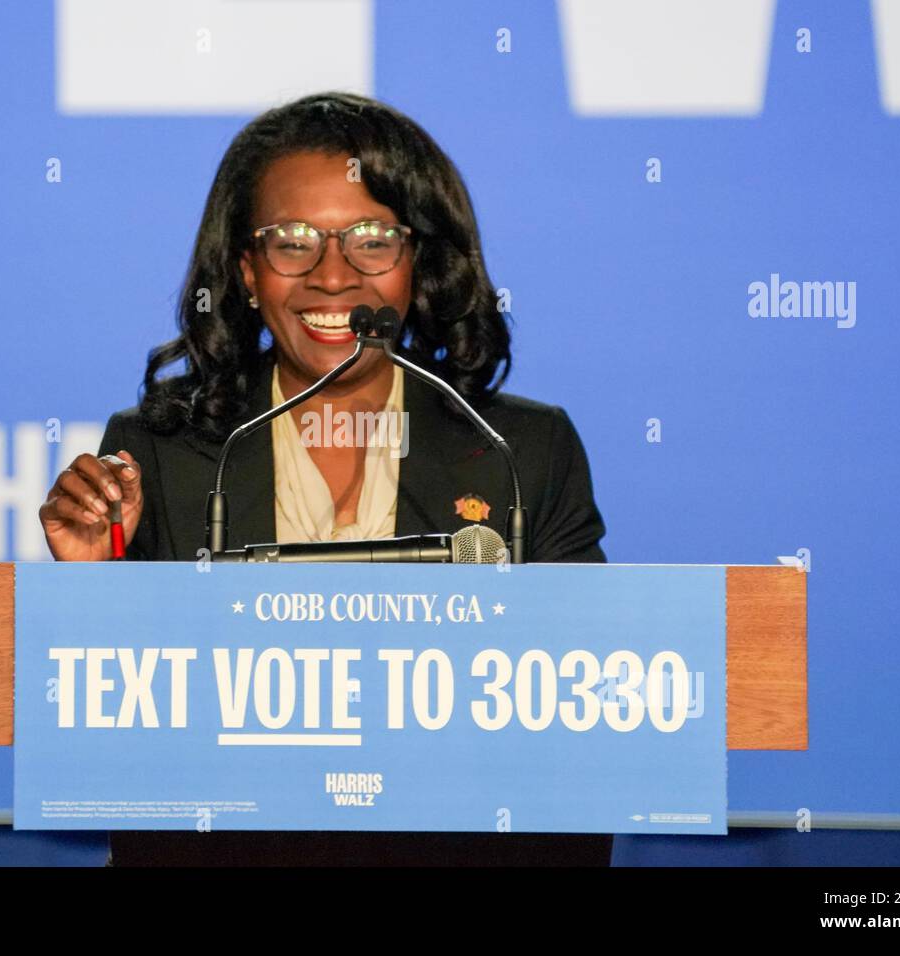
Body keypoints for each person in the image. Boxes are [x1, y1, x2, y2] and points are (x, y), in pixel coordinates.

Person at [39, 91, 610, 866]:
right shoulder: (159, 453)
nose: (333, 276)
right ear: (246, 270)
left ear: (418, 264)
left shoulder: (522, 452)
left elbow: (595, 723)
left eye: (372, 239)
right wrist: (90, 586)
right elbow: (113, 734)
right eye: (292, 242)